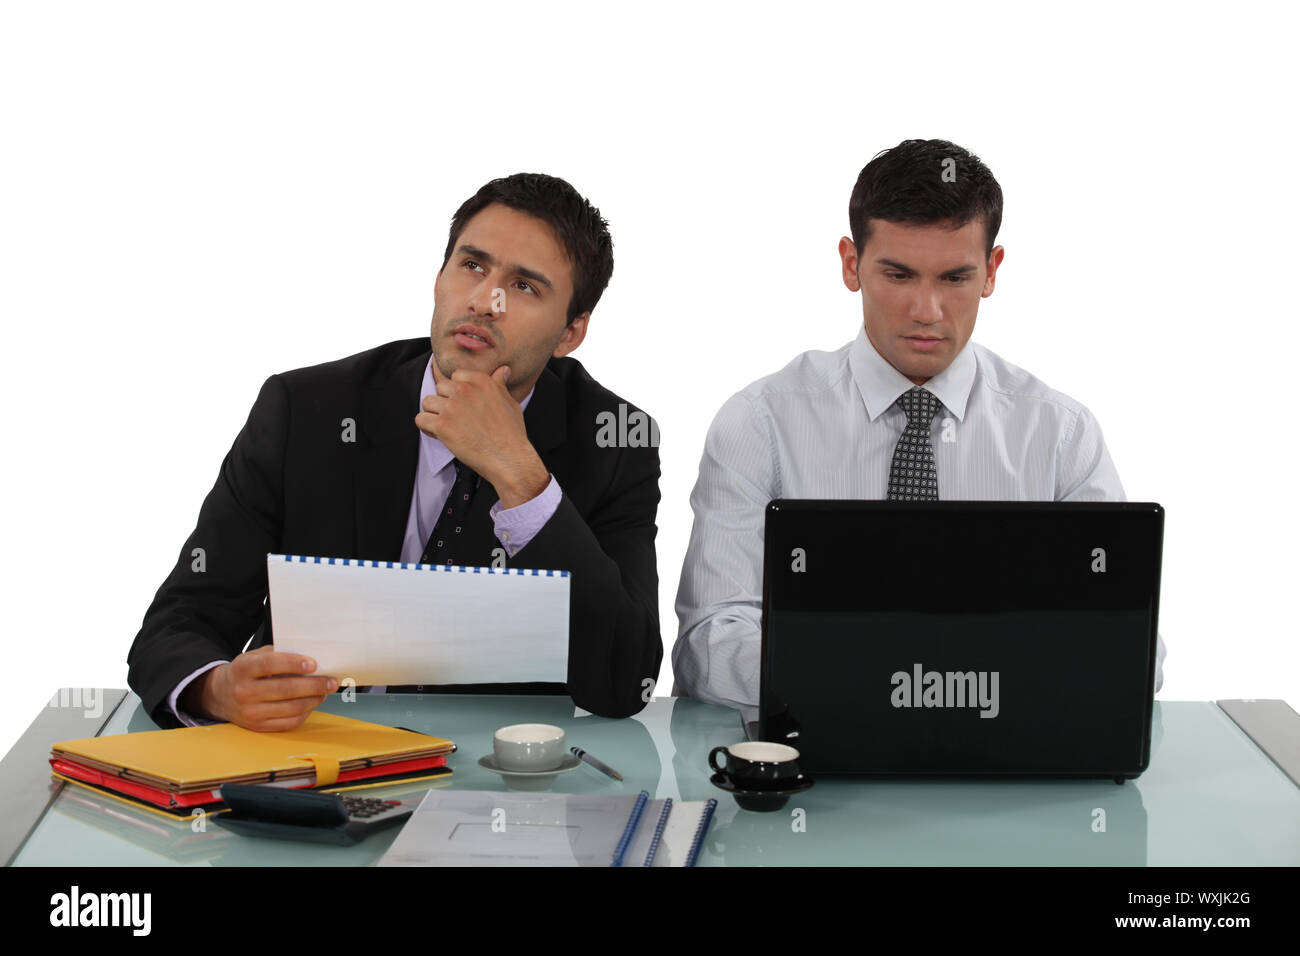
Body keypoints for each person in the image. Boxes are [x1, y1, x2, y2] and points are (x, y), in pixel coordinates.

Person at [128, 173, 662, 730]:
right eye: (472, 265)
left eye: (525, 286)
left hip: (495, 777)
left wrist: (522, 477)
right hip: (314, 752)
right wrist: (216, 690)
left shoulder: (615, 439)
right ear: (439, 277)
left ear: (571, 332)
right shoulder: (307, 410)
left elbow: (624, 683)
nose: (485, 300)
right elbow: (180, 622)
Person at [673, 138, 1165, 709]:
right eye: (899, 275)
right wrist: (893, 686)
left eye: (954, 278)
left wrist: (947, 688)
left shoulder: (1061, 435)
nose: (926, 311)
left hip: (1000, 754)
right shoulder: (760, 424)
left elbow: (1134, 650)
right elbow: (708, 643)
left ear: (992, 271)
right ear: (851, 264)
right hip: (818, 758)